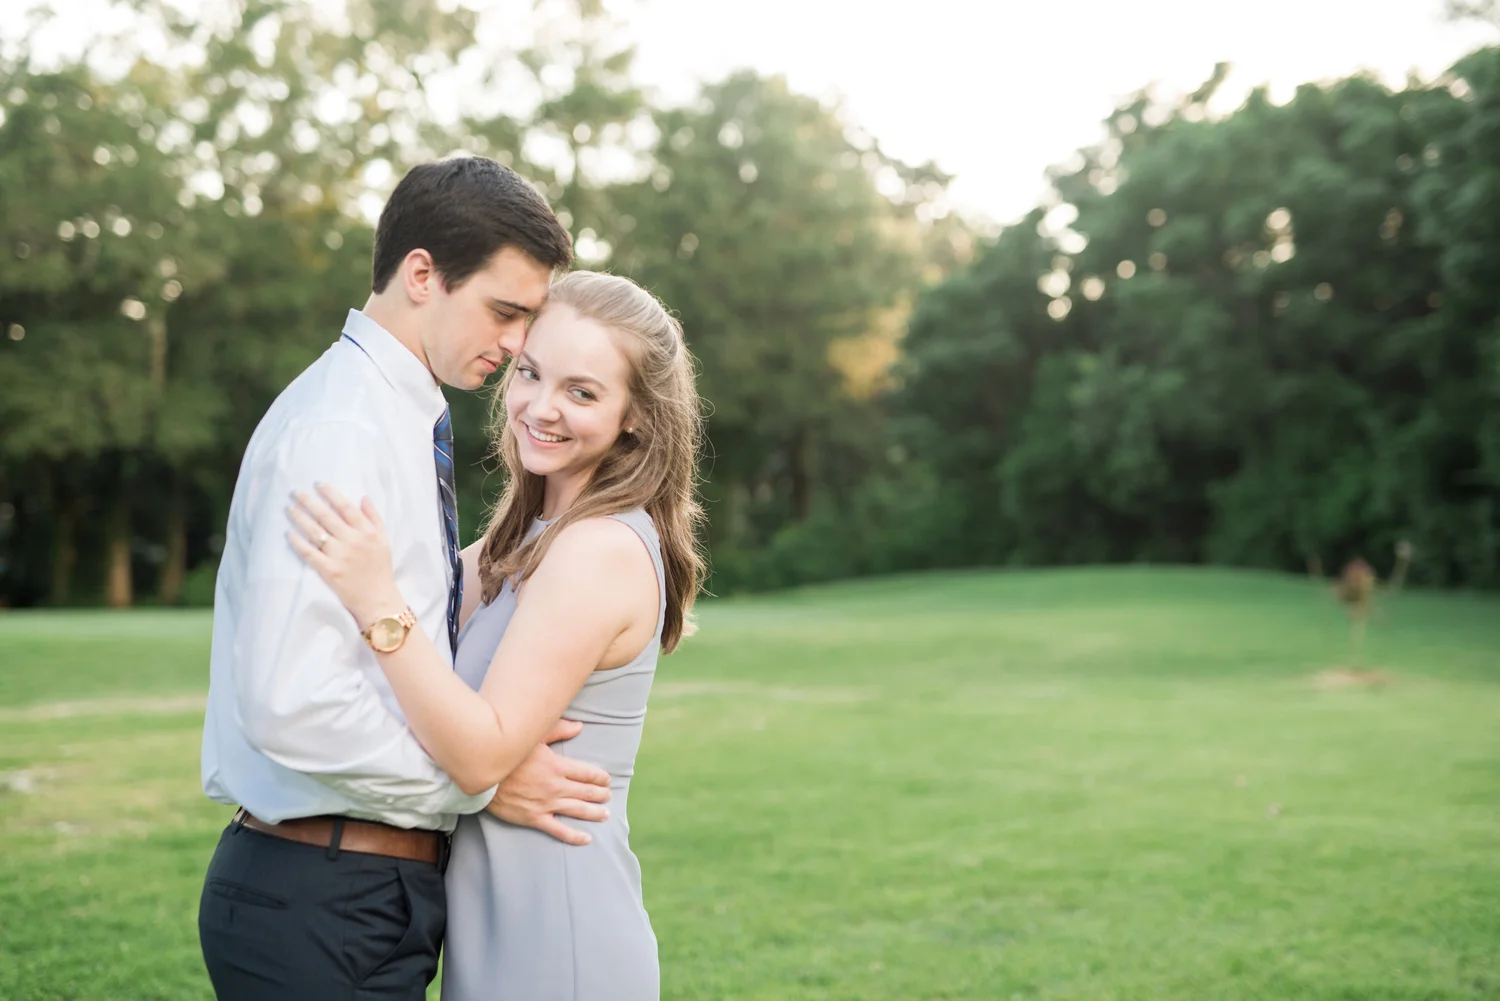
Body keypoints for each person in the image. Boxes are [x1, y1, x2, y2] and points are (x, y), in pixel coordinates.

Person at [197, 157, 614, 1001]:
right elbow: (294, 702)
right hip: (322, 892)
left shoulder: (394, 412)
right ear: (421, 273)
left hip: (358, 889)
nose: (516, 343)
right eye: (505, 311)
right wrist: (478, 780)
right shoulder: (342, 428)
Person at [285, 269, 707, 1001]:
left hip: (557, 929)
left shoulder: (598, 549)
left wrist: (377, 599)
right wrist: (487, 782)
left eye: (582, 391)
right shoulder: (524, 538)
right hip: (492, 920)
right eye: (530, 373)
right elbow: (433, 710)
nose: (541, 408)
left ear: (636, 415)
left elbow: (476, 745)